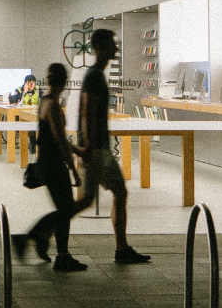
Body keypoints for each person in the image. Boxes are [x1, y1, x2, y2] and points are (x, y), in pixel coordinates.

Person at [75, 29, 150, 264]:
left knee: (117, 192)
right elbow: (86, 112)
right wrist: (88, 147)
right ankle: (42, 232)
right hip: (97, 149)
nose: (115, 48)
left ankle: (122, 248)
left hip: (99, 148)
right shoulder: (94, 76)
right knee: (88, 200)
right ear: (99, 47)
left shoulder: (96, 75)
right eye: (111, 44)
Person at [14, 63, 89, 271]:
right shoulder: (53, 106)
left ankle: (41, 241)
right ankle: (38, 241)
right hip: (53, 164)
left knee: (63, 210)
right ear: (64, 82)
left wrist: (77, 151)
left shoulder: (45, 102)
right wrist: (74, 169)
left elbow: (57, 138)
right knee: (65, 210)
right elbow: (60, 140)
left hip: (47, 162)